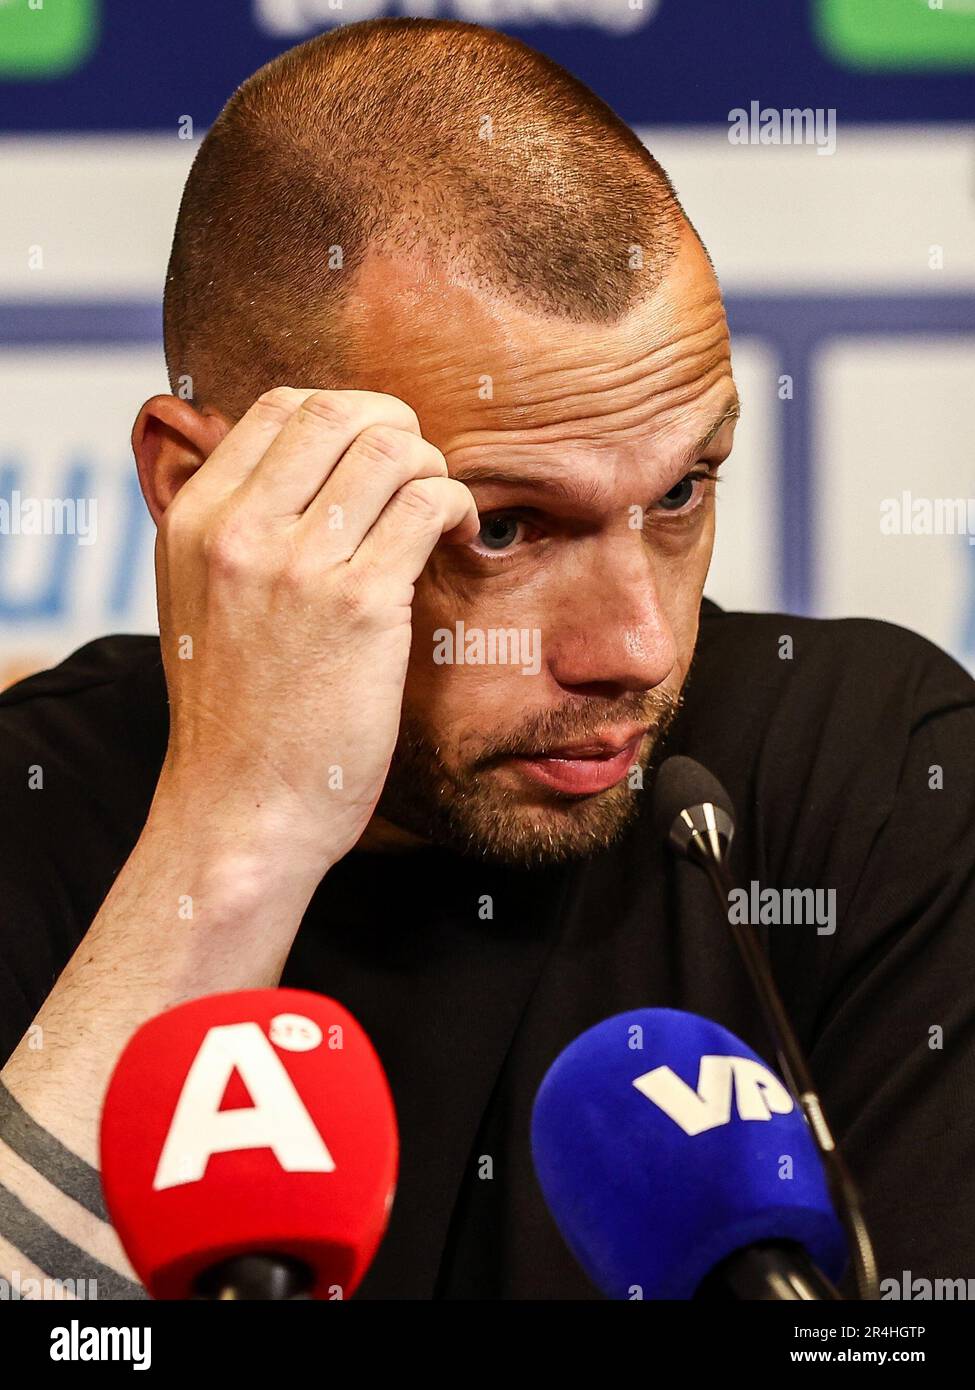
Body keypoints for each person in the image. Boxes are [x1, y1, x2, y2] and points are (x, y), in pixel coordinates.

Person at [1, 18, 973, 1301]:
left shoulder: (874, 781)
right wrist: (238, 832)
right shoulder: (35, 818)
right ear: (206, 490)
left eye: (683, 490)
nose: (638, 646)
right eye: (503, 526)